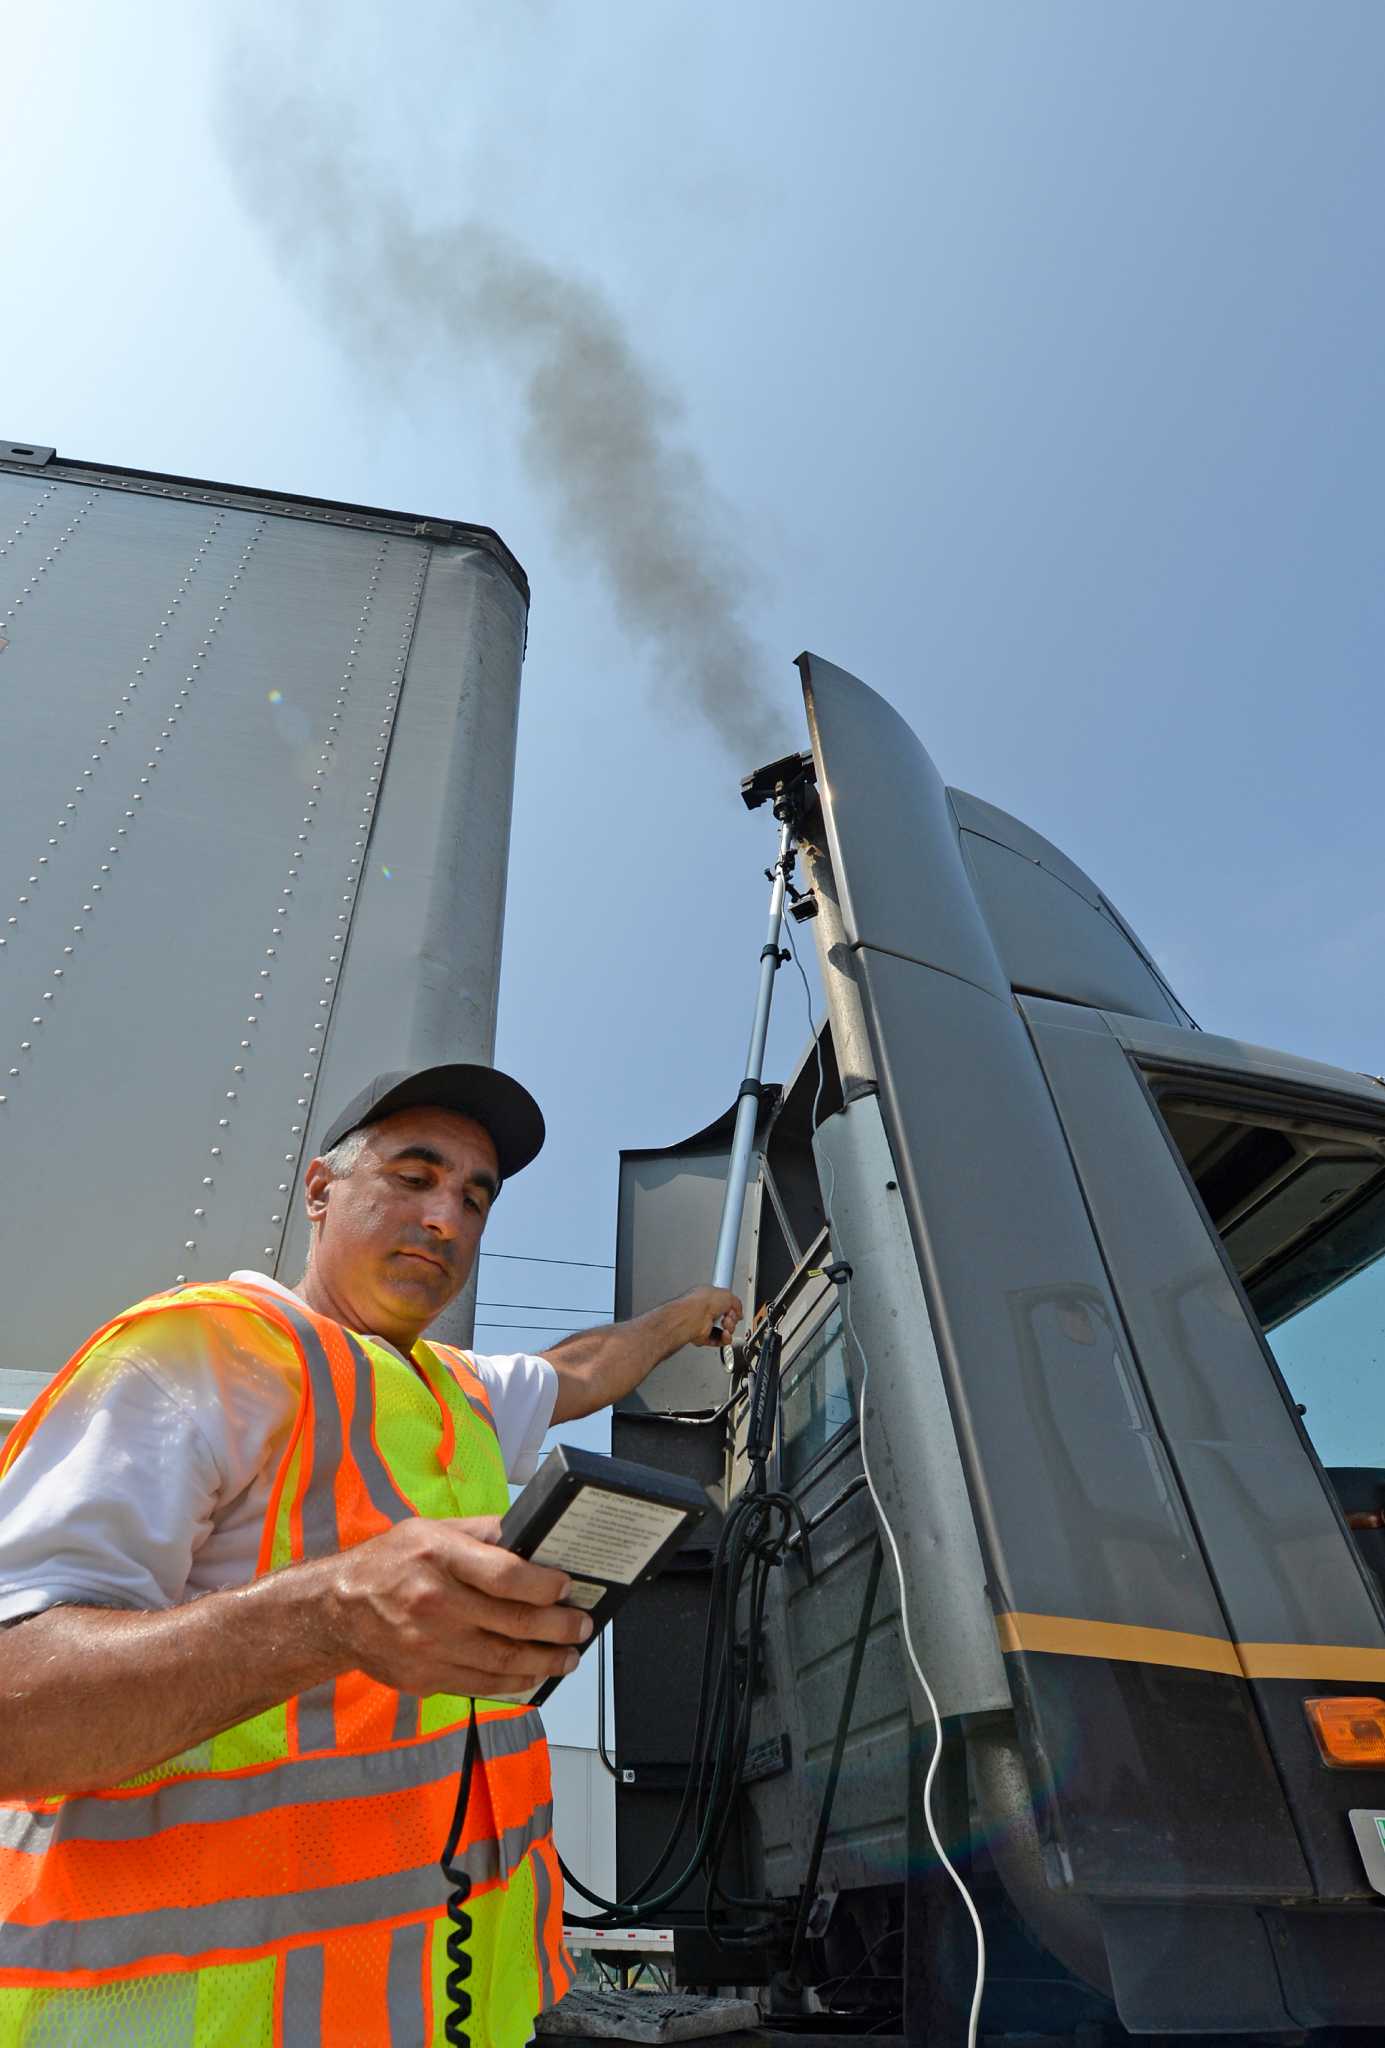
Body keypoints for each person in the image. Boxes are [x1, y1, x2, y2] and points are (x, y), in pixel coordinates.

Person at [0, 1063, 742, 2046]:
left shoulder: (459, 1387)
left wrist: (687, 1313)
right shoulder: (202, 1353)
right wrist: (325, 1615)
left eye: (475, 1196)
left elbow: (579, 1369)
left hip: (449, 2009)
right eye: (413, 1174)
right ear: (320, 1189)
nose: (447, 1218)